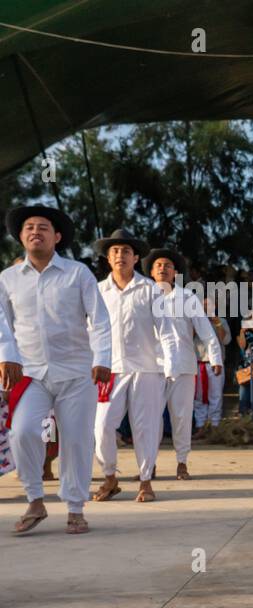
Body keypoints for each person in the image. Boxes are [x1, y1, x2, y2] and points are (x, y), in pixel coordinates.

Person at [0, 205, 111, 535]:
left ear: (57, 237)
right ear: (21, 237)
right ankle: (35, 499)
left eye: (43, 227)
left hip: (78, 371)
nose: (35, 231)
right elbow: (2, 323)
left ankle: (75, 508)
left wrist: (102, 359)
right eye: (29, 227)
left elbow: (100, 320)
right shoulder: (7, 279)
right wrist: (6, 355)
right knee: (22, 431)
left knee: (76, 440)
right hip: (30, 372)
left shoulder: (78, 273)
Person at [90, 229, 166, 504]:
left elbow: (166, 330)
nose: (119, 255)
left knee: (145, 427)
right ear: (107, 258)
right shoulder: (98, 291)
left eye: (125, 251)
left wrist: (166, 366)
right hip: (108, 370)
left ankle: (146, 481)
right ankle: (110, 477)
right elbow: (89, 330)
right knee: (102, 426)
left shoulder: (150, 290)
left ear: (135, 257)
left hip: (146, 370)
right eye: (114, 251)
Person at [148, 248, 220, 480]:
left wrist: (215, 356)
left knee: (181, 416)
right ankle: (149, 463)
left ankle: (182, 462)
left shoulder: (187, 297)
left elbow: (205, 330)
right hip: (151, 366)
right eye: (158, 265)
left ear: (175, 272)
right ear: (151, 271)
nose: (163, 268)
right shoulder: (143, 296)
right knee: (150, 418)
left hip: (183, 365)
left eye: (167, 265)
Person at [193, 301, 230, 438]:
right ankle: (200, 427)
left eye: (209, 306)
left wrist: (217, 324)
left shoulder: (222, 321)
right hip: (199, 363)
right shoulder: (194, 321)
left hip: (216, 364)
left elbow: (225, 341)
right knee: (198, 398)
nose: (206, 309)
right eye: (204, 306)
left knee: (216, 396)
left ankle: (214, 427)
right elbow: (188, 338)